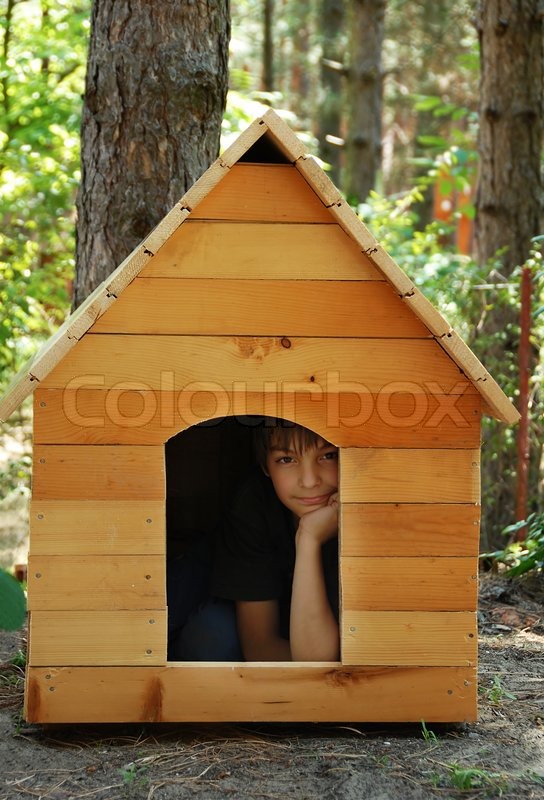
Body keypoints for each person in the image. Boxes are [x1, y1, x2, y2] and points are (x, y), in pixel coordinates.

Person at [167, 419, 340, 662]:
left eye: (328, 455)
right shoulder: (254, 503)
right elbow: (261, 648)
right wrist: (309, 537)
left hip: (304, 631)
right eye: (287, 459)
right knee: (214, 632)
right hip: (209, 582)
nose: (310, 481)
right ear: (265, 466)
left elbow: (317, 663)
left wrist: (308, 539)